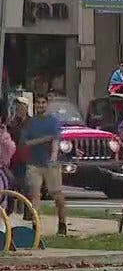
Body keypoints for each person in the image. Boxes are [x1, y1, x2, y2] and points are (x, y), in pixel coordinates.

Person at [19, 94, 67, 235]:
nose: (40, 105)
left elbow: (56, 141)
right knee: (35, 195)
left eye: (43, 103)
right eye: (38, 103)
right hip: (34, 164)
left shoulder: (53, 122)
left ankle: (62, 222)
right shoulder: (31, 123)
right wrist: (45, 138)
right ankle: (36, 227)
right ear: (34, 105)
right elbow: (25, 143)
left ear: (47, 104)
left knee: (57, 194)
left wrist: (53, 157)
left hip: (51, 164)